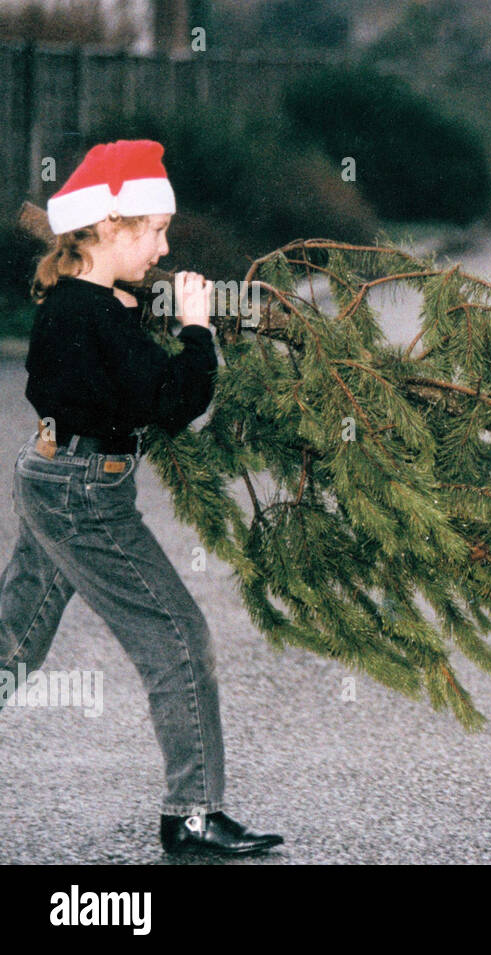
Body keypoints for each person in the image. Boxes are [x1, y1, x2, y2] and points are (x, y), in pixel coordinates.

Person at [0, 139, 283, 856]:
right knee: (179, 639)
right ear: (110, 228)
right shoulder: (86, 313)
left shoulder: (82, 303)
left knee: (14, 639)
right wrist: (196, 330)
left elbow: (105, 370)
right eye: (153, 229)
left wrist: (127, 313)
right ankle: (193, 814)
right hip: (82, 497)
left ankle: (194, 808)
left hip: (54, 475)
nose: (162, 245)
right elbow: (170, 400)